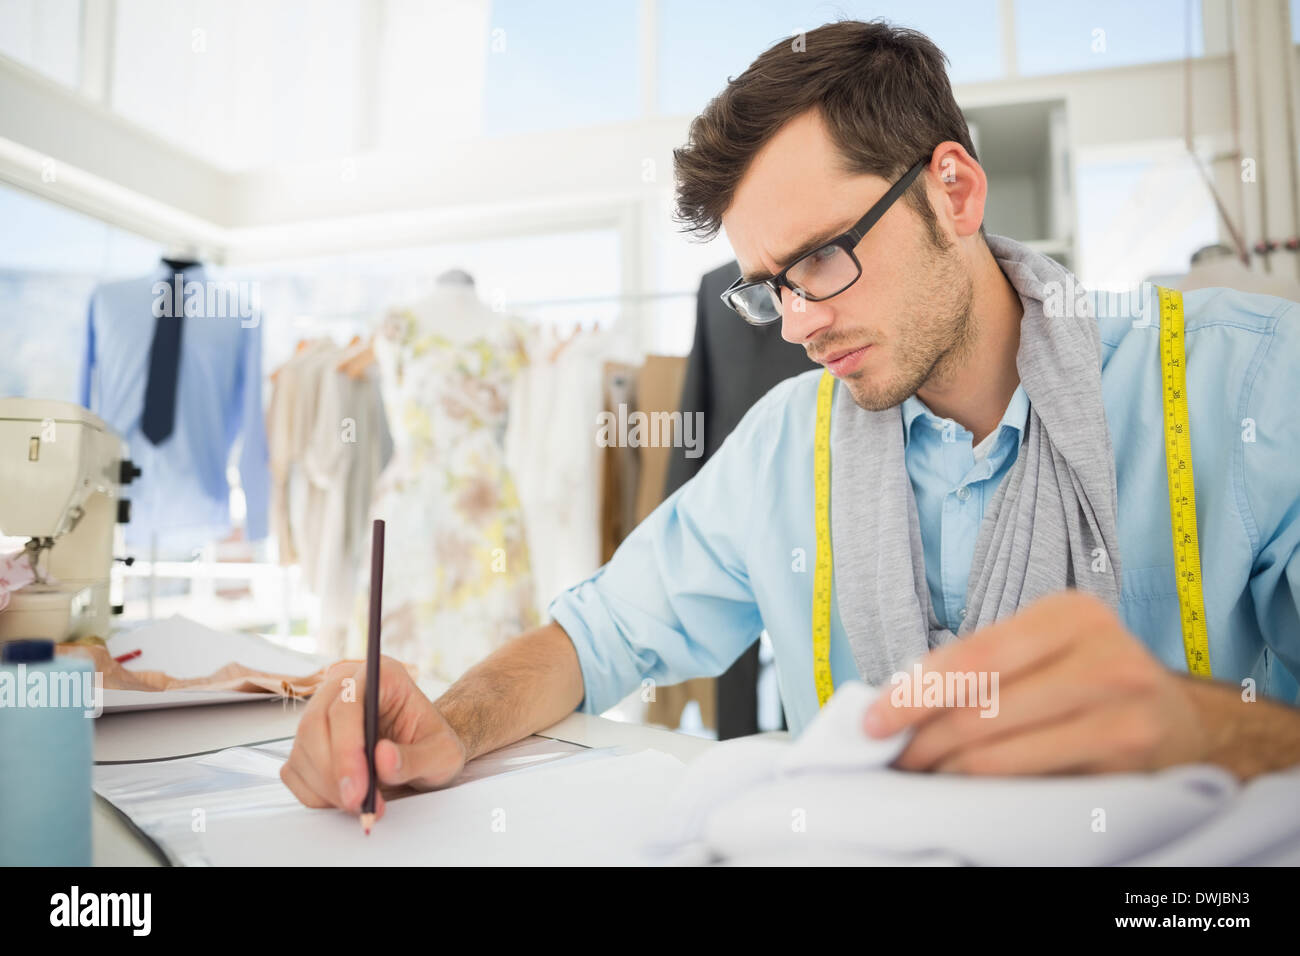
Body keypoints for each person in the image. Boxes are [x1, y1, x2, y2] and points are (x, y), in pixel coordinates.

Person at [280, 20, 1300, 822]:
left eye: (820, 257)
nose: (800, 321)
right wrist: (446, 724)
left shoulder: (1240, 385)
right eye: (768, 285)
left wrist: (1205, 731)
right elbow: (594, 636)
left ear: (953, 189)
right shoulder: (785, 441)